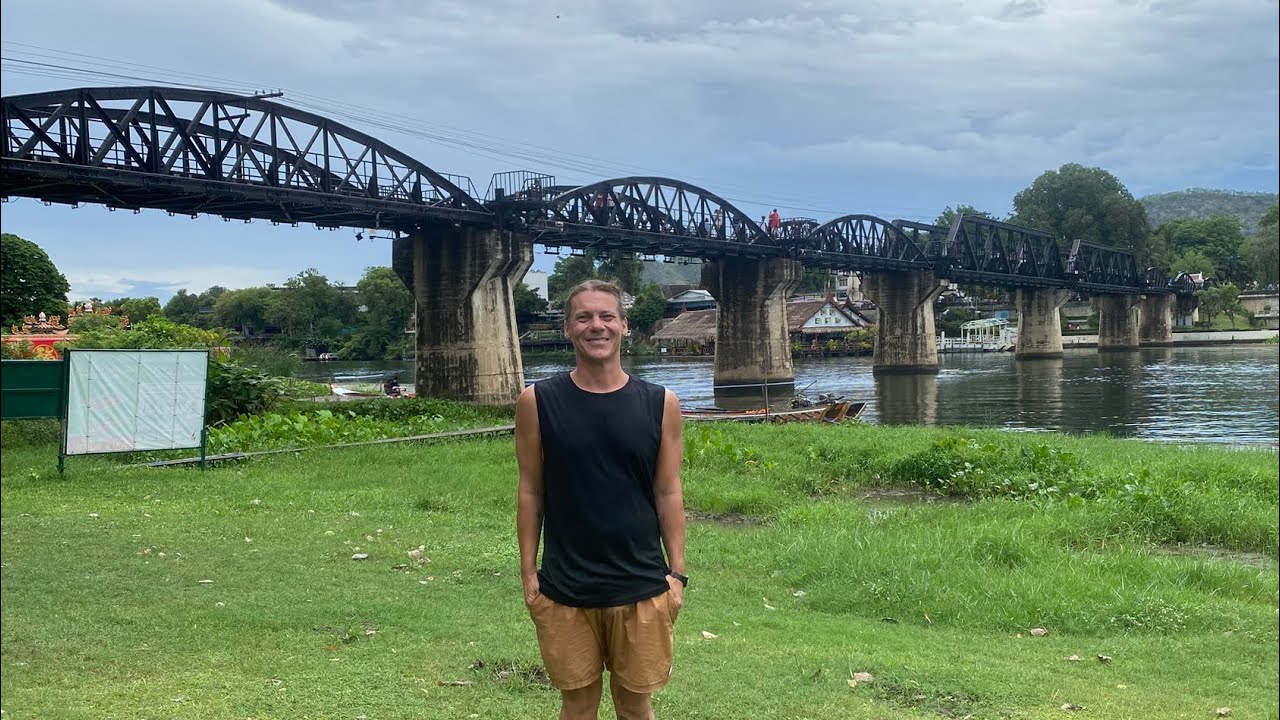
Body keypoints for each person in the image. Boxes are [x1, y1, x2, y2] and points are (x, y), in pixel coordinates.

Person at [515, 279, 687, 720]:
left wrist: (677, 575)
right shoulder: (537, 401)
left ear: (624, 325)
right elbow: (531, 489)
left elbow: (668, 491)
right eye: (584, 317)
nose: (597, 326)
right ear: (567, 328)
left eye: (607, 316)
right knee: (577, 703)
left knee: (635, 704)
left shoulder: (660, 403)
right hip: (565, 585)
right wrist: (529, 572)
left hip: (643, 583)